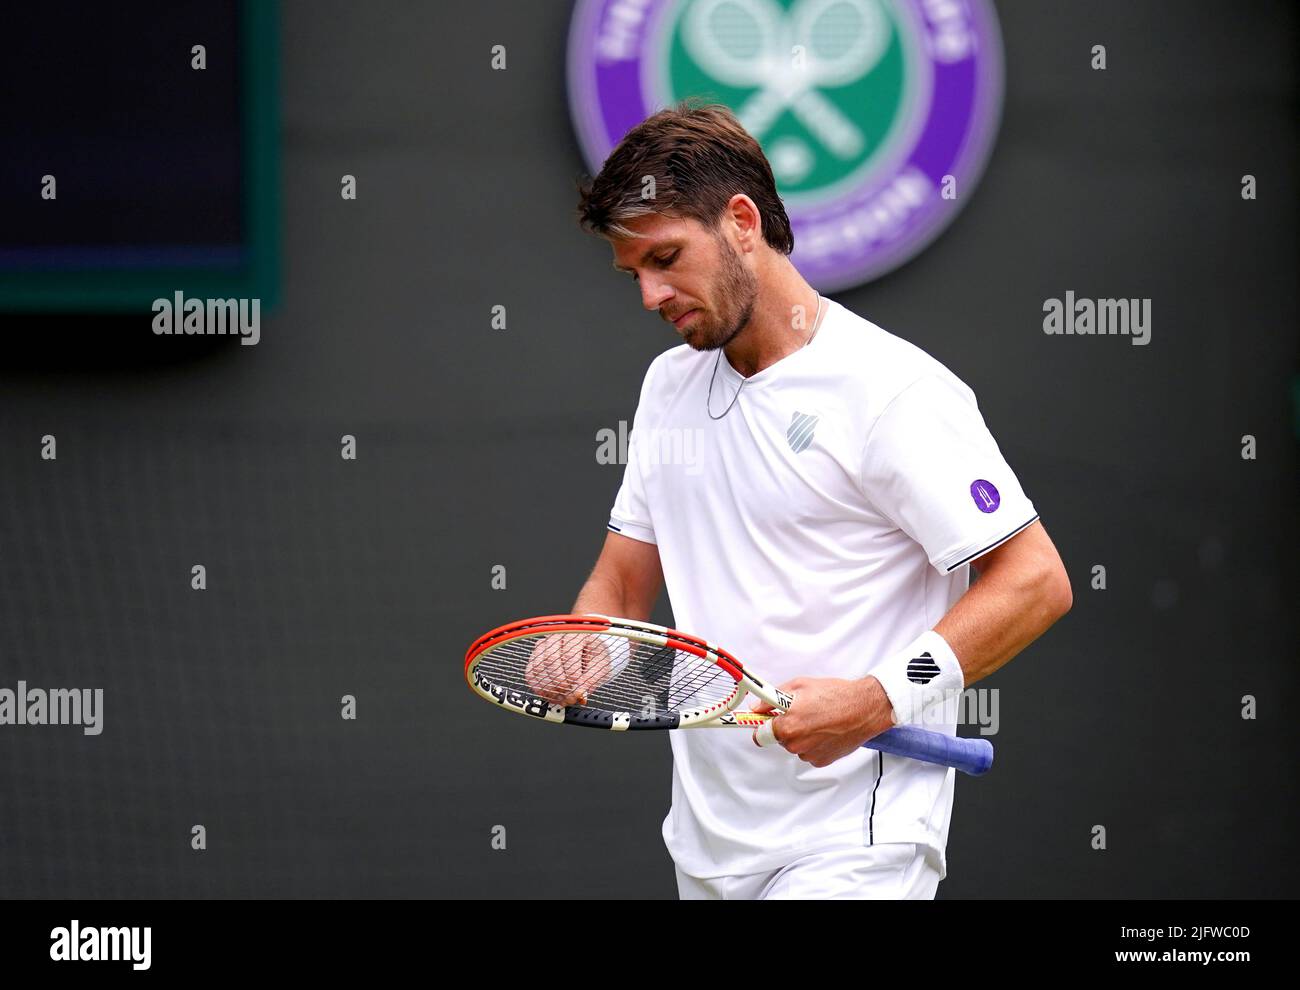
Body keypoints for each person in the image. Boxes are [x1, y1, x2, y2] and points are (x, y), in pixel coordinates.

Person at [569, 100, 1072, 899]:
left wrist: (878, 699)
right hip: (708, 841)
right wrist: (588, 637)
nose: (650, 296)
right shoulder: (668, 387)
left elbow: (1035, 580)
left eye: (666, 257)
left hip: (855, 842)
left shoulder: (892, 390)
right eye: (635, 273)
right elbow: (623, 583)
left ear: (741, 220)